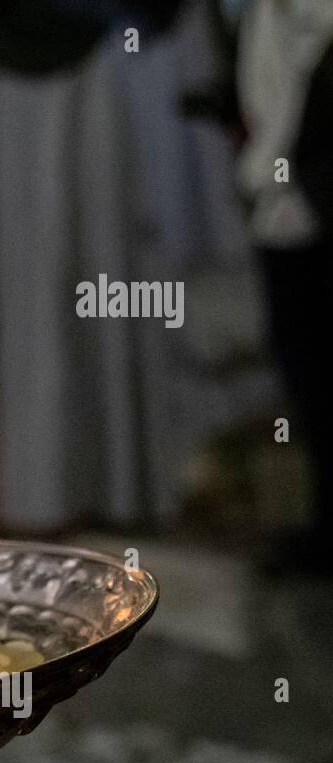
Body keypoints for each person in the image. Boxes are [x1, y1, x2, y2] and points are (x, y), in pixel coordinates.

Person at [0, 0, 195, 534]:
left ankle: (72, 479)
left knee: (82, 267)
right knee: (8, 271)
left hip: (83, 70)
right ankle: (3, 477)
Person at [237, 0, 333, 569]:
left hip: (308, 199)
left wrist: (268, 162)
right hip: (289, 200)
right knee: (306, 371)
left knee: (316, 367)